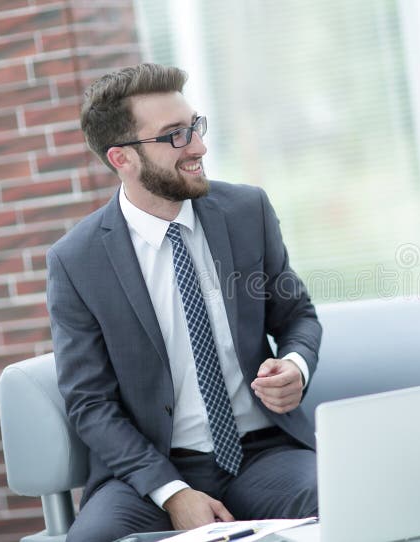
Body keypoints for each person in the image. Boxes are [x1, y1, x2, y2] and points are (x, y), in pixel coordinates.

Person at [47, 63, 321, 542]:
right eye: (174, 135)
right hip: (150, 470)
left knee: (348, 503)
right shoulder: (77, 260)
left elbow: (296, 316)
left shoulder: (246, 211)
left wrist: (296, 365)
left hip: (263, 452)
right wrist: (173, 493)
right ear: (121, 158)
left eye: (195, 126)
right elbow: (90, 402)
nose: (198, 146)